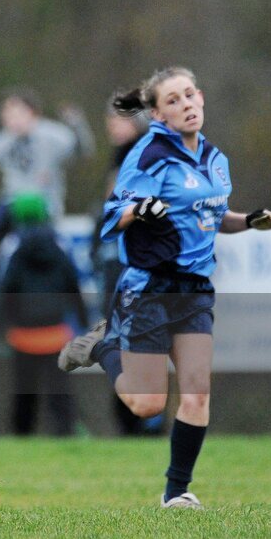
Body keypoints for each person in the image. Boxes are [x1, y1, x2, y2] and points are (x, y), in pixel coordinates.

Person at [58, 67, 271, 508]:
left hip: (196, 290)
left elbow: (213, 217)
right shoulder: (148, 156)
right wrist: (138, 209)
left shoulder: (216, 159)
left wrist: (248, 221)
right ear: (158, 114)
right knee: (146, 406)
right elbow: (109, 218)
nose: (185, 105)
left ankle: (176, 492)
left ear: (201, 97)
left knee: (197, 395)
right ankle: (104, 347)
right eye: (173, 101)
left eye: (189, 95)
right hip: (149, 288)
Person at [90, 103, 160, 436]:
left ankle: (146, 419)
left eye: (122, 119)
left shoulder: (144, 153)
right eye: (112, 120)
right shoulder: (119, 156)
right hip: (115, 263)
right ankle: (130, 419)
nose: (115, 126)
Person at [0, 89, 93, 273]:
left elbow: (82, 151)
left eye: (18, 114)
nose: (13, 120)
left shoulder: (52, 135)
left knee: (36, 247)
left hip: (45, 204)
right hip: (12, 201)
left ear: (34, 113)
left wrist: (76, 124)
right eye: (8, 116)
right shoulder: (3, 140)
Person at [0, 194, 86, 436]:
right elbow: (73, 284)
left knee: (24, 392)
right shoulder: (60, 245)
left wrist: (0, 321)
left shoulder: (12, 246)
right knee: (60, 391)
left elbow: (7, 287)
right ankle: (65, 432)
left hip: (23, 334)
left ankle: (22, 434)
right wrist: (83, 319)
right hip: (55, 332)